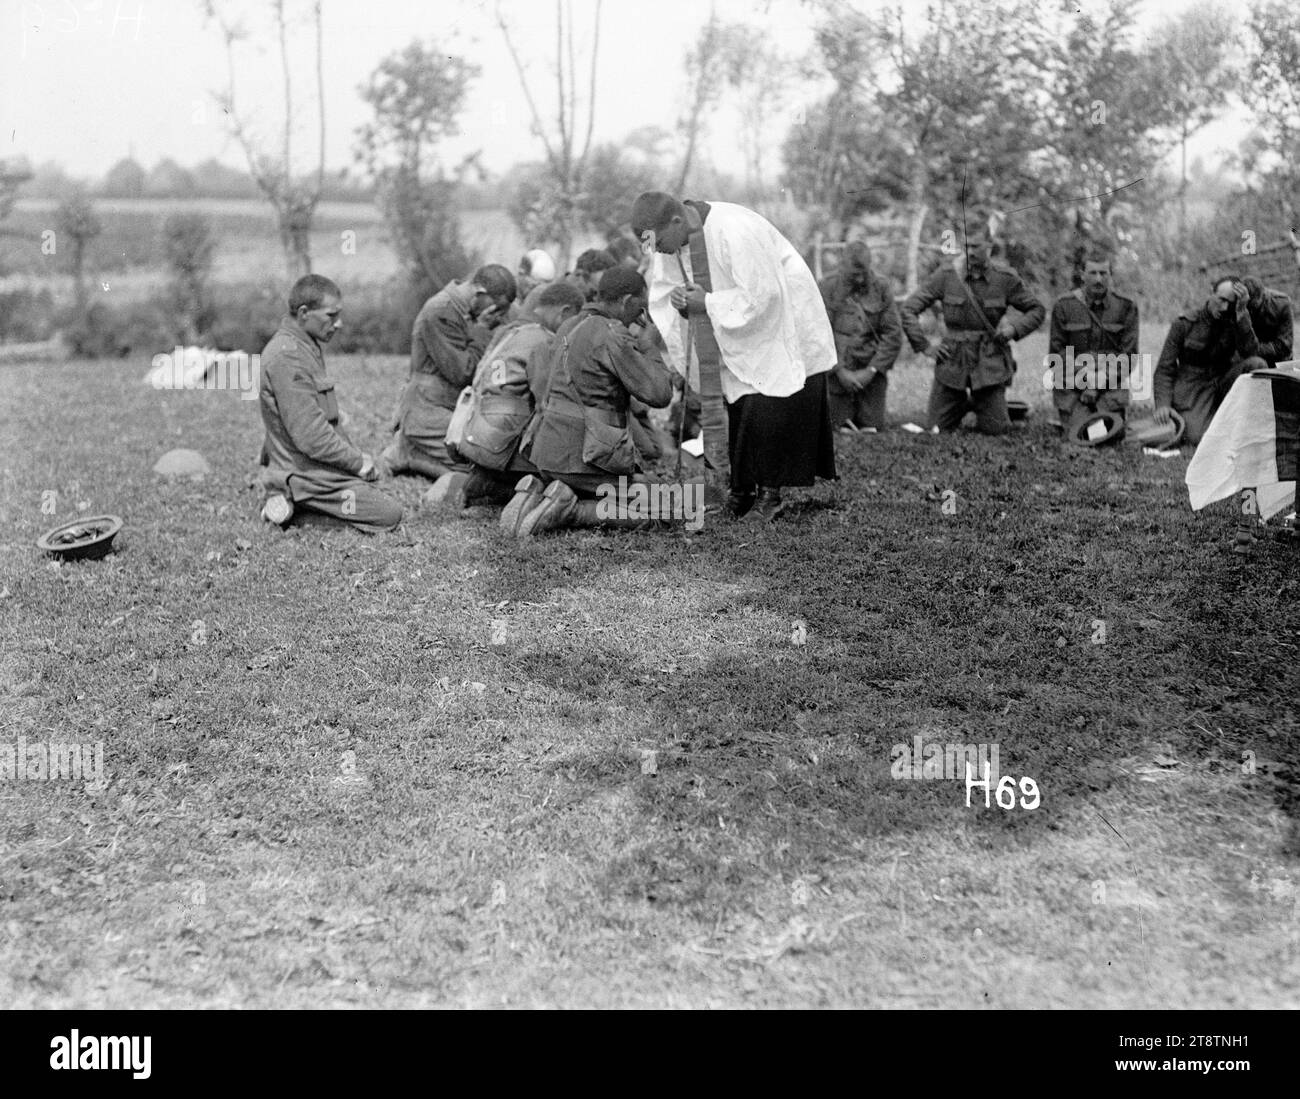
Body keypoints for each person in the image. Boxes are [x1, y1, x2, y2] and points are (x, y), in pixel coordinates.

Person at [631, 191, 838, 523]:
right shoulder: (670, 239)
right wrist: (682, 303)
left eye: (658, 244)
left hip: (779, 321)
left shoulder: (734, 229)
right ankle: (741, 491)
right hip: (732, 329)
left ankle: (770, 496)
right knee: (740, 408)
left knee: (768, 408)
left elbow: (764, 295)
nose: (657, 252)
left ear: (675, 221)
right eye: (651, 247)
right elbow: (666, 288)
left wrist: (707, 304)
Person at [506, 267, 675, 537]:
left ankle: (537, 495)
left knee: (646, 484)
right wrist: (648, 346)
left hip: (546, 454)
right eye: (639, 308)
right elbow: (660, 394)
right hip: (584, 460)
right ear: (626, 301)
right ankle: (572, 511)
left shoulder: (568, 324)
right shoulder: (611, 334)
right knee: (673, 506)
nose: (639, 317)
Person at [256, 274, 402, 534]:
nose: (339, 323)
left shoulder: (302, 345)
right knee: (387, 514)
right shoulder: (288, 357)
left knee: (377, 493)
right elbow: (311, 437)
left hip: (312, 465)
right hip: (303, 473)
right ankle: (296, 511)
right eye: (331, 316)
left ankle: (297, 502)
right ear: (304, 313)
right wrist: (357, 462)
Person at [432, 281, 587, 513]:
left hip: (474, 432)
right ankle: (493, 489)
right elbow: (547, 403)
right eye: (574, 320)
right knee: (563, 479)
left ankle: (484, 481)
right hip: (499, 442)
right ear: (564, 312)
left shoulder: (510, 331)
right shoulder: (544, 340)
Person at [900, 227, 1045, 434]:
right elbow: (909, 308)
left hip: (988, 362)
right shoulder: (946, 275)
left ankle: (989, 405)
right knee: (936, 427)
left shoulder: (1004, 279)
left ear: (989, 246)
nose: (970, 251)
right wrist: (924, 346)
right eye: (967, 246)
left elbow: (1037, 309)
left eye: (976, 246)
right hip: (953, 362)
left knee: (996, 429)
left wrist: (1013, 330)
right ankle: (966, 403)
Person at [380, 264, 516, 481]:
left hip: (451, 411)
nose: (499, 317)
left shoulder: (469, 310)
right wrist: (482, 331)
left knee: (495, 459)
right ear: (479, 293)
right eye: (497, 309)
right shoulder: (440, 311)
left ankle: (414, 452)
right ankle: (409, 454)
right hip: (428, 412)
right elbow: (463, 372)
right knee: (480, 471)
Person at [1153, 274, 1270, 446]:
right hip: (1193, 389)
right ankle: (1224, 422)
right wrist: (1163, 404)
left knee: (1257, 365)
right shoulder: (1184, 323)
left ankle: (1252, 423)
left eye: (1230, 303)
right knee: (1197, 437)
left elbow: (1251, 352)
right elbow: (1165, 368)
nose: (1224, 307)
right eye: (1221, 299)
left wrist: (1241, 312)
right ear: (1211, 293)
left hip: (1222, 383)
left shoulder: (1235, 320)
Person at [1047, 249, 1139, 440]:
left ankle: (1094, 421)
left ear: (1110, 275)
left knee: (1112, 433)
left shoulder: (1126, 307)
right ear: (1082, 275)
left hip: (1108, 387)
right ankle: (1075, 420)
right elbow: (1057, 355)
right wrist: (1085, 380)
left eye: (1103, 273)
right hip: (1073, 388)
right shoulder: (1064, 306)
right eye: (1093, 273)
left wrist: (1097, 383)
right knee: (1083, 434)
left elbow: (1128, 357)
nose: (1098, 279)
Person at [818, 241, 902, 433]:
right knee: (837, 425)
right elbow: (819, 335)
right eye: (853, 274)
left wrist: (871, 370)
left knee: (872, 425)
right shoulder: (827, 287)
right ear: (842, 266)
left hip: (870, 373)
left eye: (863, 273)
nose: (858, 279)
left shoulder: (881, 287)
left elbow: (893, 334)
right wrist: (839, 370)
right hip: (837, 372)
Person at [1238, 274, 1293, 367]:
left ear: (1263, 295)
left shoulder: (1281, 304)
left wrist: (1252, 350)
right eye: (1247, 307)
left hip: (1277, 362)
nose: (1250, 311)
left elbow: (1284, 347)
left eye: (1253, 306)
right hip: (1249, 362)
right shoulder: (1237, 306)